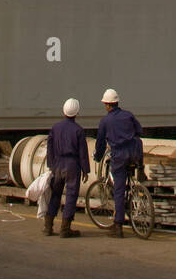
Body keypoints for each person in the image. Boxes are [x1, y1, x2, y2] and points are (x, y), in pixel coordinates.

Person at [94, 89, 144, 239]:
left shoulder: (105, 121)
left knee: (119, 190)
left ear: (108, 105)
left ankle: (118, 226)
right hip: (134, 154)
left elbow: (100, 143)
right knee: (132, 169)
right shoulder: (128, 115)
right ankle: (141, 172)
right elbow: (139, 131)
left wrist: (97, 157)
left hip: (119, 156)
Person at [45, 97, 90, 238]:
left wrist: (51, 165)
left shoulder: (55, 128)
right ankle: (65, 228)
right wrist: (85, 170)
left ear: (63, 111)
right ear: (77, 113)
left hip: (57, 164)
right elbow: (83, 152)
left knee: (55, 194)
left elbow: (49, 147)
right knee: (71, 195)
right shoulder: (78, 130)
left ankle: (48, 227)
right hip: (72, 165)